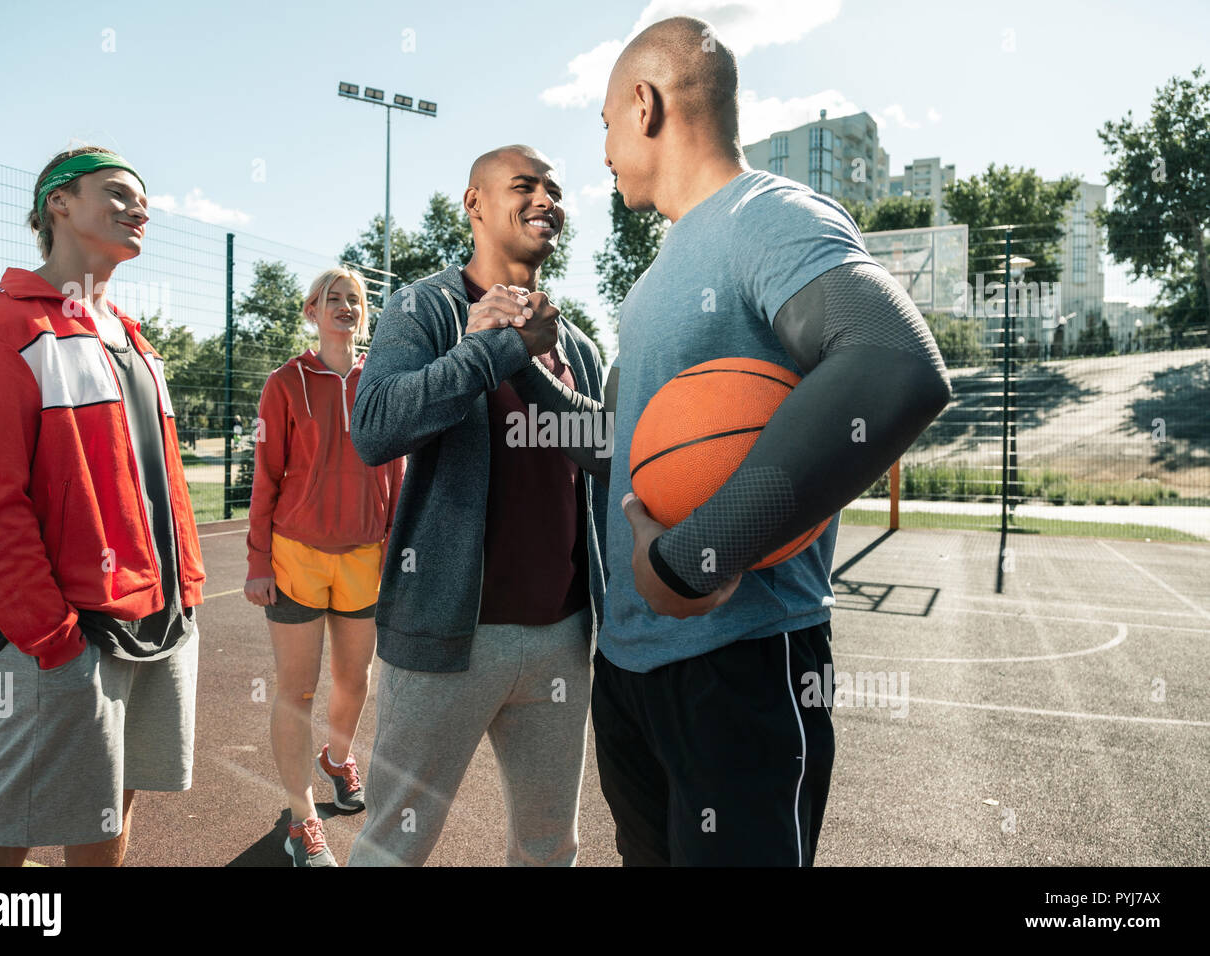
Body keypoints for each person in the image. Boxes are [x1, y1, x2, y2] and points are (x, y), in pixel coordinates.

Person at [518, 17, 953, 865]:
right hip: (635, 669)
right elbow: (624, 456)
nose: (603, 149)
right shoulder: (653, 283)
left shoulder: (769, 215)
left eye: (605, 121)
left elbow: (895, 365)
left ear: (644, 105)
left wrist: (696, 558)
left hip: (740, 665)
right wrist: (523, 364)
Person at [0, 145, 206, 866]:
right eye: (117, 193)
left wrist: (188, 593)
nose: (139, 208)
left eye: (142, 199)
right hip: (69, 633)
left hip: (161, 615)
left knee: (114, 798)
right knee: (13, 825)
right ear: (58, 203)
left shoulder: (132, 338)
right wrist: (49, 635)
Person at [345, 145, 606, 866]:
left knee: (551, 847)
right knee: (394, 845)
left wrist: (532, 354)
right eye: (525, 186)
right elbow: (375, 429)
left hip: (560, 635)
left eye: (555, 190)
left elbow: (604, 451)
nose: (547, 200)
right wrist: (488, 350)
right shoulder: (423, 307)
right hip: (447, 637)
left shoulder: (575, 342)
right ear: (476, 204)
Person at [243, 267, 404, 867]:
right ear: (312, 311)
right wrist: (259, 560)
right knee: (298, 688)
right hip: (295, 557)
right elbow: (265, 477)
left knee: (355, 680)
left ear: (366, 314)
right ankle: (302, 819)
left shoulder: (381, 380)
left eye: (355, 300)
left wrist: (394, 540)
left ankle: (338, 757)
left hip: (364, 557)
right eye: (332, 299)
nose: (345, 307)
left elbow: (396, 469)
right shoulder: (285, 383)